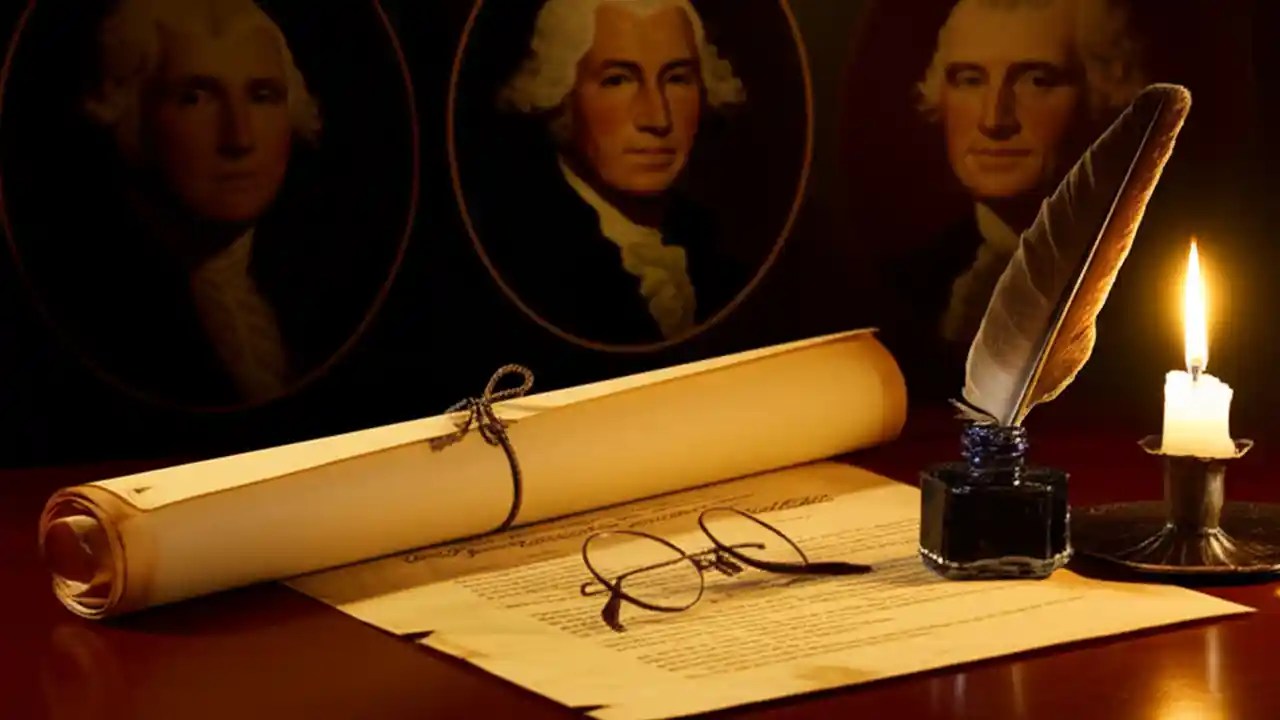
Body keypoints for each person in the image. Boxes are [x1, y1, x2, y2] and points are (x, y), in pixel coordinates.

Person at [66, 0, 335, 405]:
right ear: (133, 117)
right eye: (195, 98)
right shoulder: (93, 310)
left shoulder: (320, 285)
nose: (239, 138)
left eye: (262, 96)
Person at [484, 0, 750, 346]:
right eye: (618, 80)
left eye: (677, 79)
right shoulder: (527, 257)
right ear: (561, 95)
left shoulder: (707, 240)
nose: (658, 118)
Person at [910, 0, 1146, 348]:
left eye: (1037, 80)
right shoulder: (914, 282)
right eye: (970, 80)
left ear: (1099, 93)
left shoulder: (1143, 291)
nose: (994, 120)